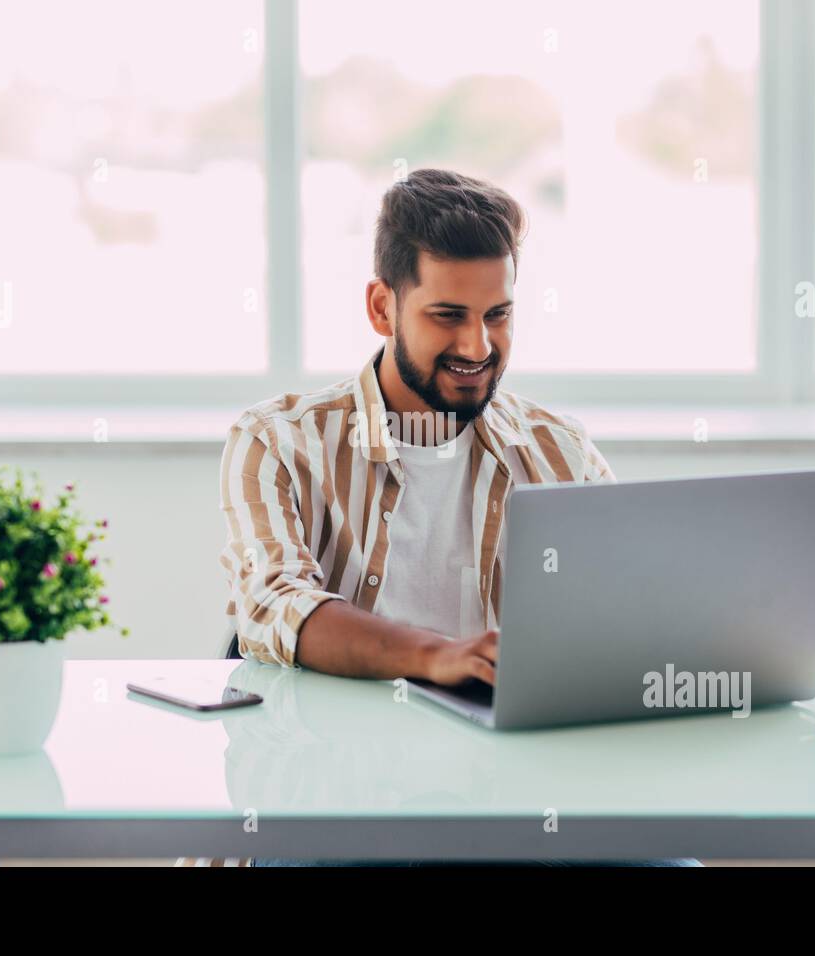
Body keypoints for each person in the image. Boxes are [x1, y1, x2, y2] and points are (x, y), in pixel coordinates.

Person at [209, 169, 700, 868]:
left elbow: (615, 619)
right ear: (383, 307)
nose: (477, 348)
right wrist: (439, 657)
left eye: (497, 315)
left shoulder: (559, 450)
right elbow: (274, 605)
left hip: (517, 799)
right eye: (447, 316)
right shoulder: (277, 443)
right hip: (334, 799)